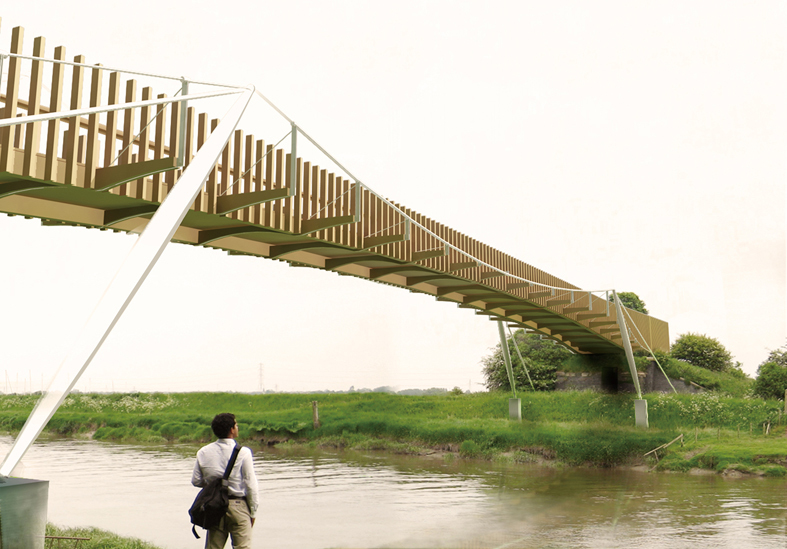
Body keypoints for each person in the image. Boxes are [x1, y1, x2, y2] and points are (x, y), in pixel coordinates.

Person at [192, 413, 259, 549]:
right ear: (231, 429)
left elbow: (196, 481)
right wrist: (253, 511)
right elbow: (250, 484)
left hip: (215, 505)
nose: (237, 427)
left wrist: (214, 486)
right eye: (236, 424)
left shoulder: (203, 452)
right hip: (238, 505)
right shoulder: (244, 452)